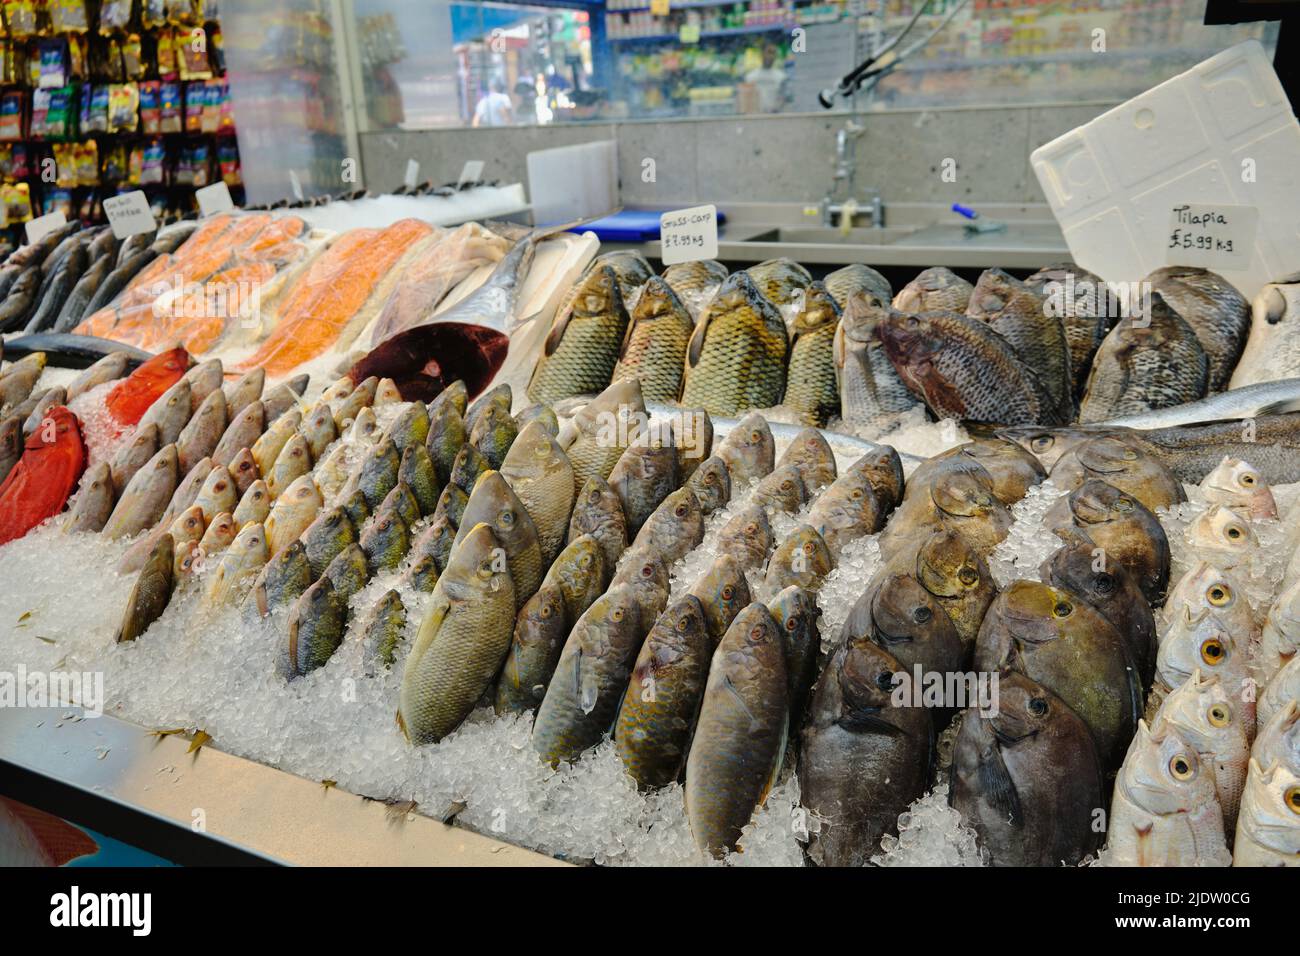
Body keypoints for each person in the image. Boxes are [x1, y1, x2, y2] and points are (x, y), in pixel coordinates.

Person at [745, 45, 789, 114]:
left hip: (774, 117)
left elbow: (783, 99)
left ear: (775, 56)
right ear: (761, 55)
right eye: (768, 53)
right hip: (755, 116)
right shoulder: (750, 77)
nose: (769, 56)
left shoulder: (781, 77)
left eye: (772, 53)